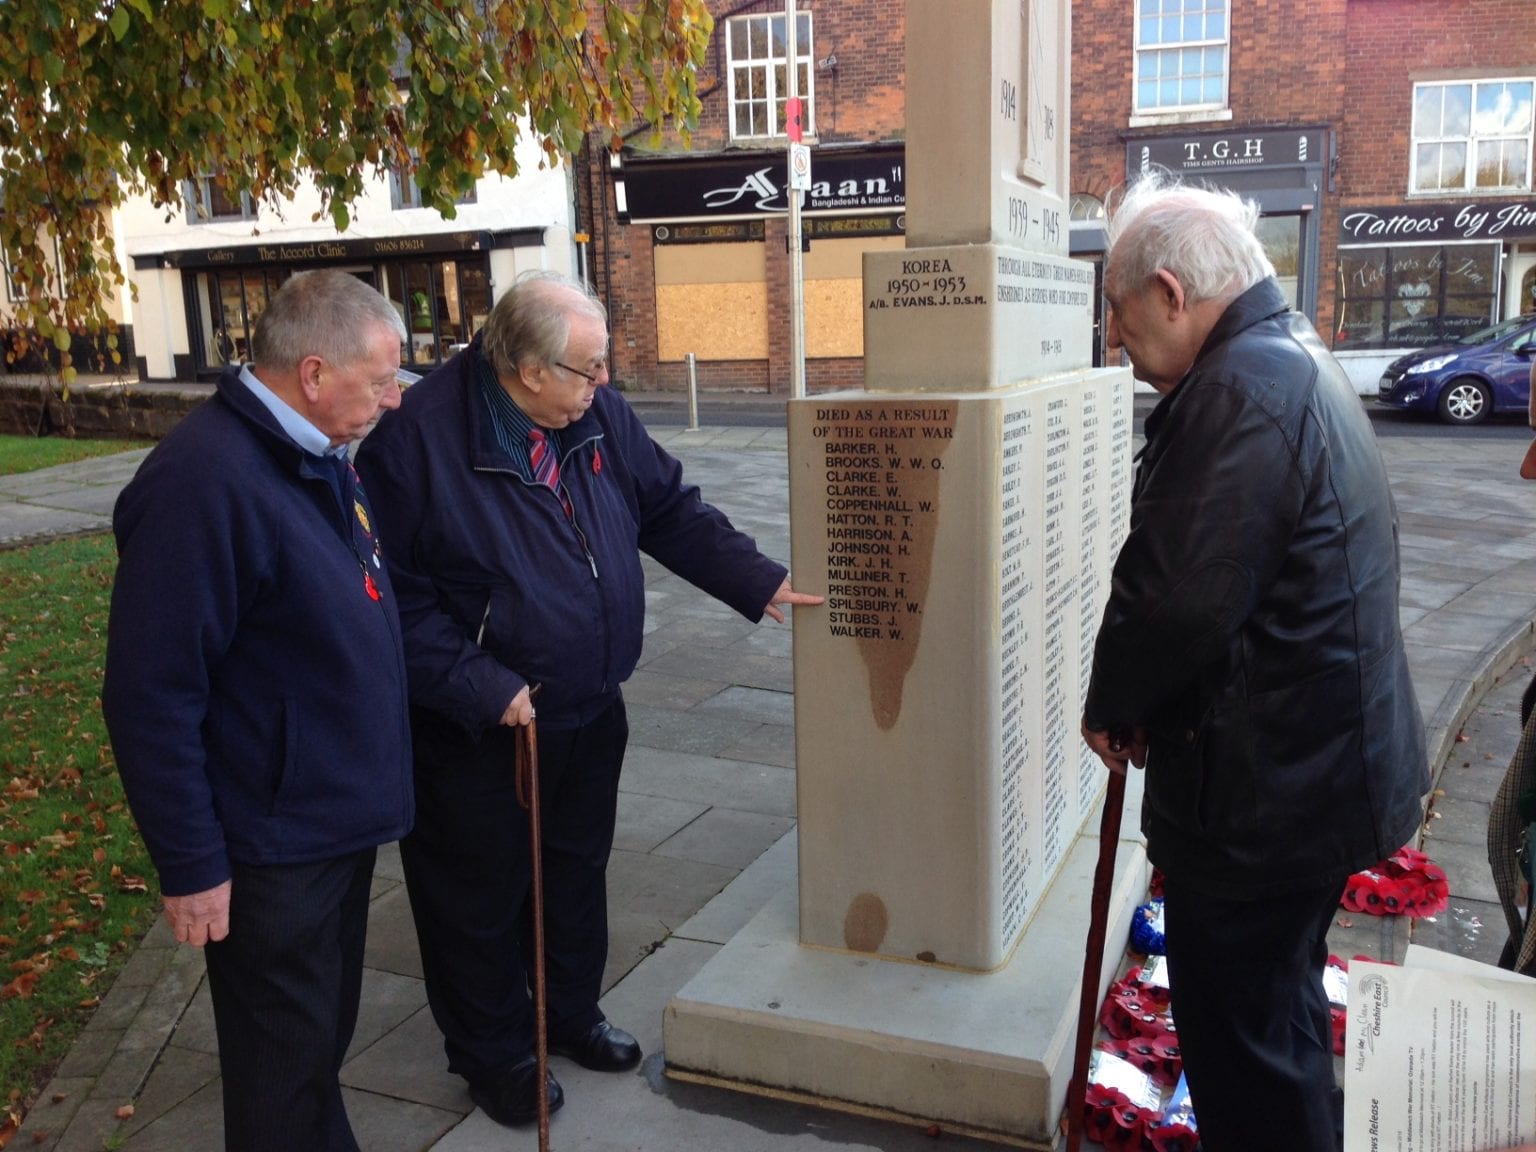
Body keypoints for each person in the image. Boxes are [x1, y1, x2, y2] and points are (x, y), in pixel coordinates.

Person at [354, 270, 822, 1127]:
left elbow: (666, 507)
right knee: (478, 895)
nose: (605, 383)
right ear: (528, 370)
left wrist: (758, 579)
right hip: (482, 724)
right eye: (589, 368)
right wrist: (484, 685)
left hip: (587, 702)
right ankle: (495, 1054)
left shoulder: (592, 412)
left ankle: (568, 1013)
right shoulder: (415, 444)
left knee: (573, 871)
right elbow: (395, 600)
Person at [1079, 175, 1428, 1152]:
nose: (1115, 335)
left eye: (1118, 309)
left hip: (1267, 797)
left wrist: (1114, 702)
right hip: (1313, 773)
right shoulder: (1291, 357)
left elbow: (1181, 595)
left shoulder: (1235, 391)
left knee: (1246, 1050)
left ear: (1170, 293)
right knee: (1277, 1026)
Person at [102, 270, 414, 1152]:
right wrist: (192, 863)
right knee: (281, 1064)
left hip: (324, 822)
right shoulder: (203, 482)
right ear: (314, 373)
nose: (394, 401)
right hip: (273, 843)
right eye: (382, 380)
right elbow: (150, 692)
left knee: (313, 1046)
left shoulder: (314, 452)